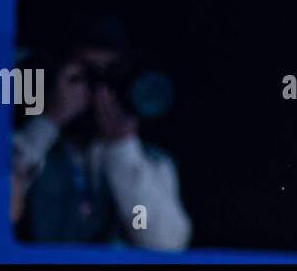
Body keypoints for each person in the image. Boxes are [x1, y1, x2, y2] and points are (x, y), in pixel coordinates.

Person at [11, 20, 192, 251]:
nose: (99, 93)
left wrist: (121, 146)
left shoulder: (150, 162)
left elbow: (161, 242)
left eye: (111, 79)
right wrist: (48, 122)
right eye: (84, 77)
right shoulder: (27, 150)